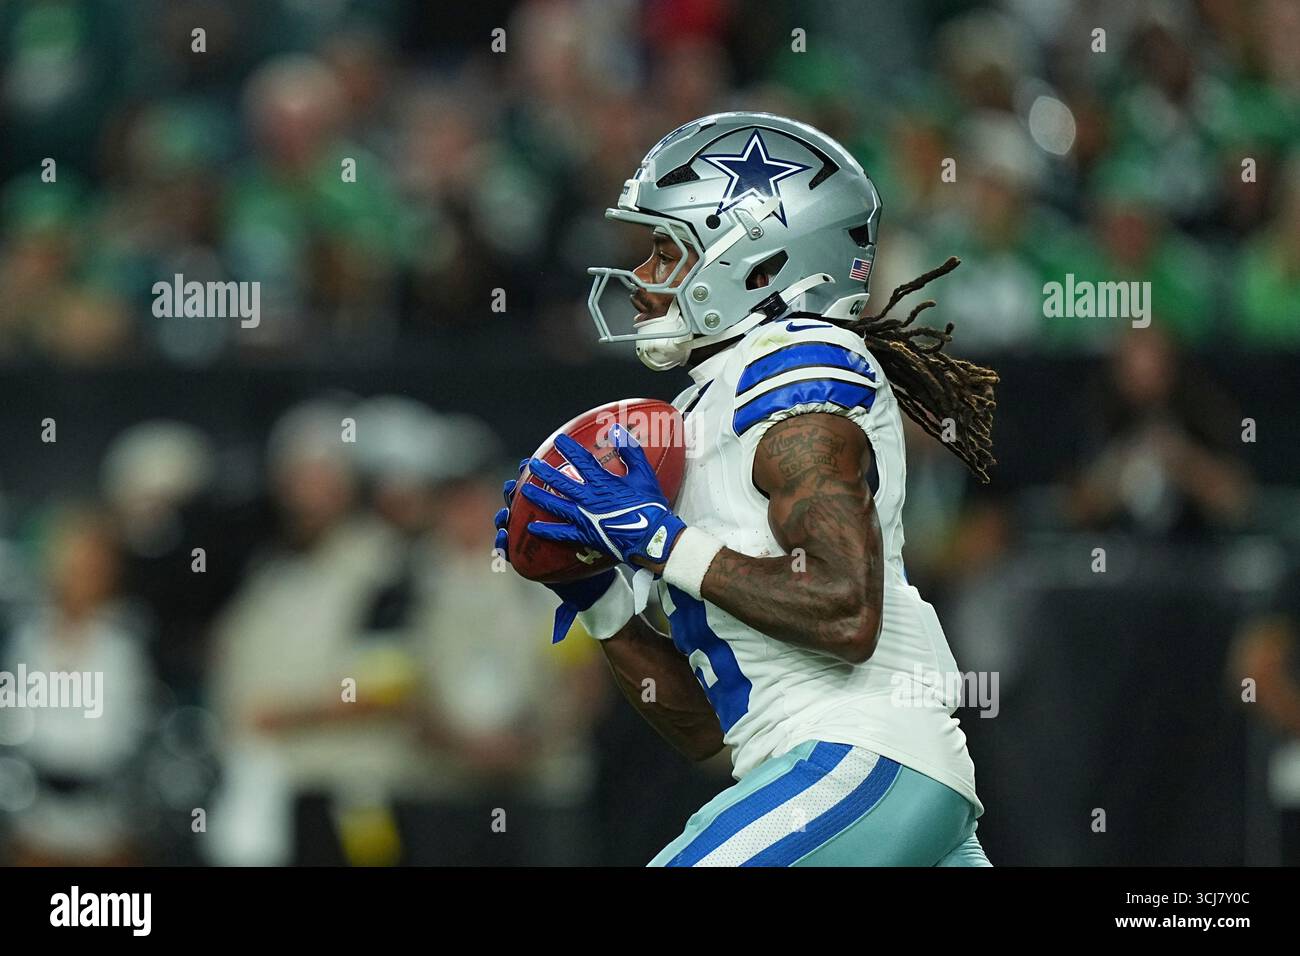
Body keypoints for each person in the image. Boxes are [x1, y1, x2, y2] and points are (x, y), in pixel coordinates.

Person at [495, 112, 996, 866]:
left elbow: (844, 610)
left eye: (666, 249)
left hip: (861, 757)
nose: (642, 278)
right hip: (840, 777)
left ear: (760, 265)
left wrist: (660, 542)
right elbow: (707, 729)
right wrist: (604, 605)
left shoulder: (793, 366)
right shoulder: (703, 413)